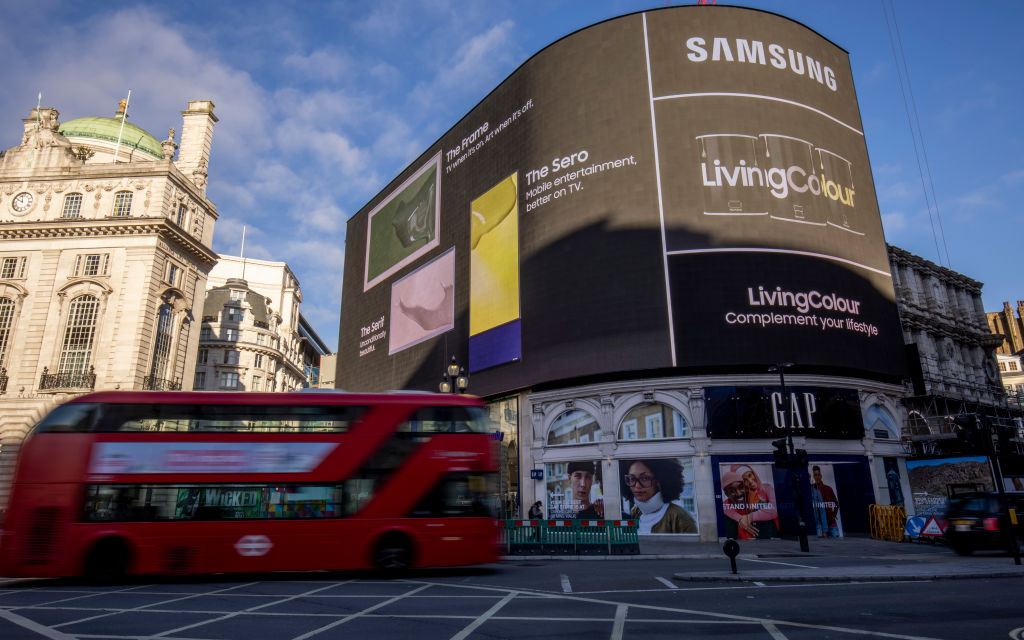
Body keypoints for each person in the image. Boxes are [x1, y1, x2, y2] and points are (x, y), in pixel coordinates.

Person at [621, 459, 697, 534]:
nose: (637, 486)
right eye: (631, 478)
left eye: (645, 478)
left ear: (659, 480)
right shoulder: (635, 512)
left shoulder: (680, 517)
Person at [811, 465, 841, 537]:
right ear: (814, 477)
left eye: (818, 475)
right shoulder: (812, 490)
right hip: (820, 525)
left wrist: (833, 515)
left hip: (831, 523)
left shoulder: (828, 489)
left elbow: (836, 503)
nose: (817, 477)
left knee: (837, 543)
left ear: (821, 476)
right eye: (815, 475)